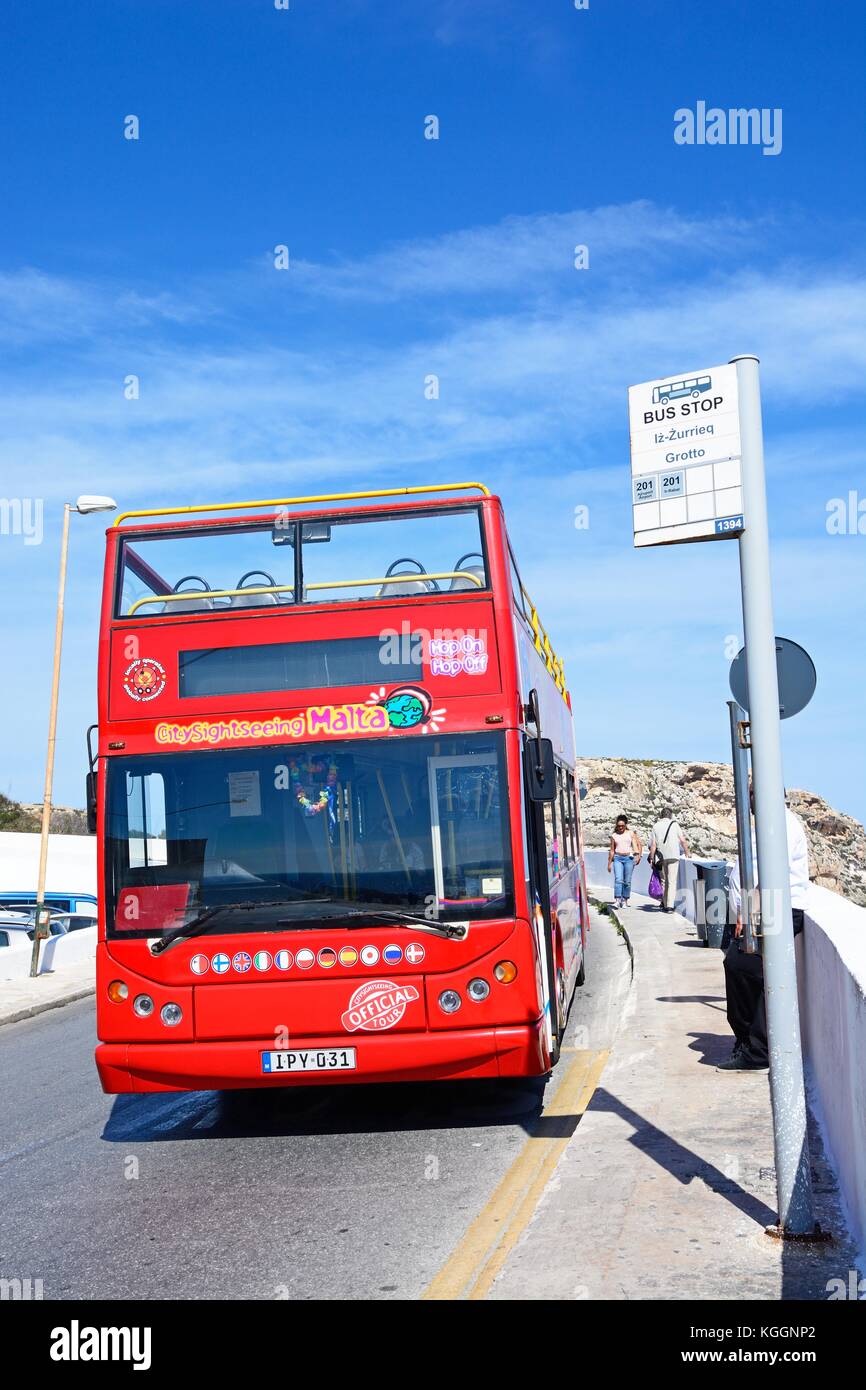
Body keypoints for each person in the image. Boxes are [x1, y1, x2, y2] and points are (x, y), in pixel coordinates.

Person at [718, 788, 809, 1071]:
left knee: (741, 965)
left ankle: (755, 1049)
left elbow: (766, 870)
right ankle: (750, 1043)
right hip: (765, 908)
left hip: (773, 909)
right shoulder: (773, 822)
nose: (749, 802)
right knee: (747, 970)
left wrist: (747, 910)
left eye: (752, 795)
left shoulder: (780, 823)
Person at [648, 808, 690, 914]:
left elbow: (653, 845)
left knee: (664, 881)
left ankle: (665, 903)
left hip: (661, 857)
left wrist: (652, 858)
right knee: (671, 881)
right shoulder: (674, 824)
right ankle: (669, 906)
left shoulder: (656, 826)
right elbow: (682, 840)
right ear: (670, 815)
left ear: (661, 815)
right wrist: (687, 852)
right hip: (673, 855)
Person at [607, 814, 641, 908]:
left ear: (625, 825)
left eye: (622, 825)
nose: (620, 827)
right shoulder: (614, 836)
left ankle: (625, 900)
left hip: (629, 859)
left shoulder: (630, 833)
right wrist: (609, 863)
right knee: (618, 879)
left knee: (627, 881)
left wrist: (638, 856)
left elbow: (637, 845)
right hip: (617, 858)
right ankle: (618, 899)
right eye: (619, 826)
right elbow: (612, 850)